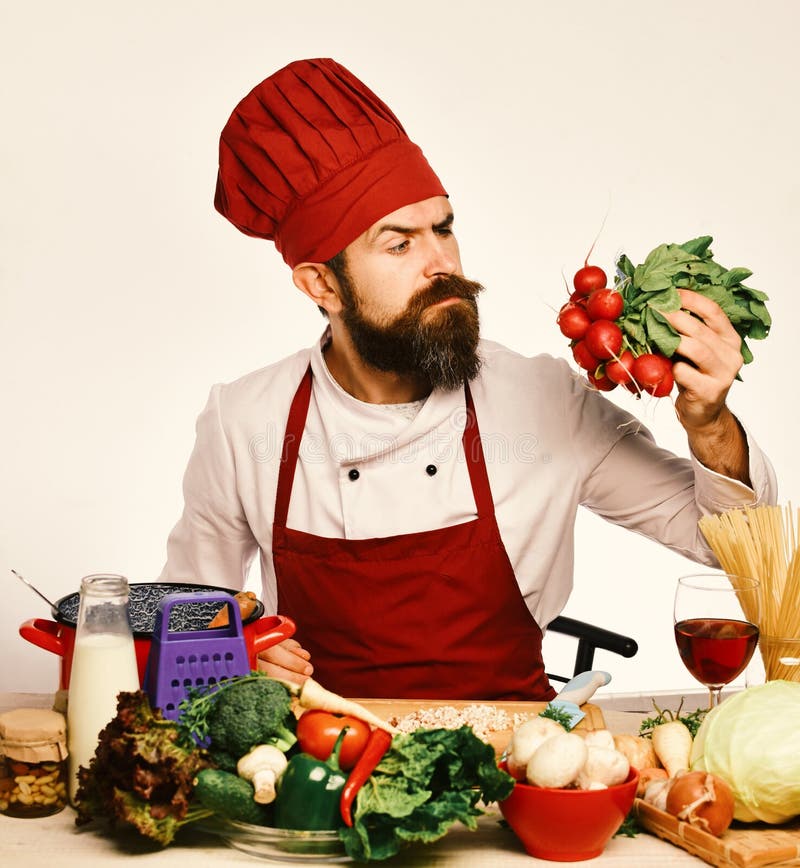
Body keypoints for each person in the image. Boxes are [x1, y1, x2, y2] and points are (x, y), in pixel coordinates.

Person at [160, 58, 776, 701]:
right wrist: (233, 659)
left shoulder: (544, 401)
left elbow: (732, 550)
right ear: (321, 284)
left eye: (444, 228)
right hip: (320, 763)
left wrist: (708, 425)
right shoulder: (245, 422)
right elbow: (188, 626)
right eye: (399, 245)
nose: (444, 264)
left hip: (519, 768)